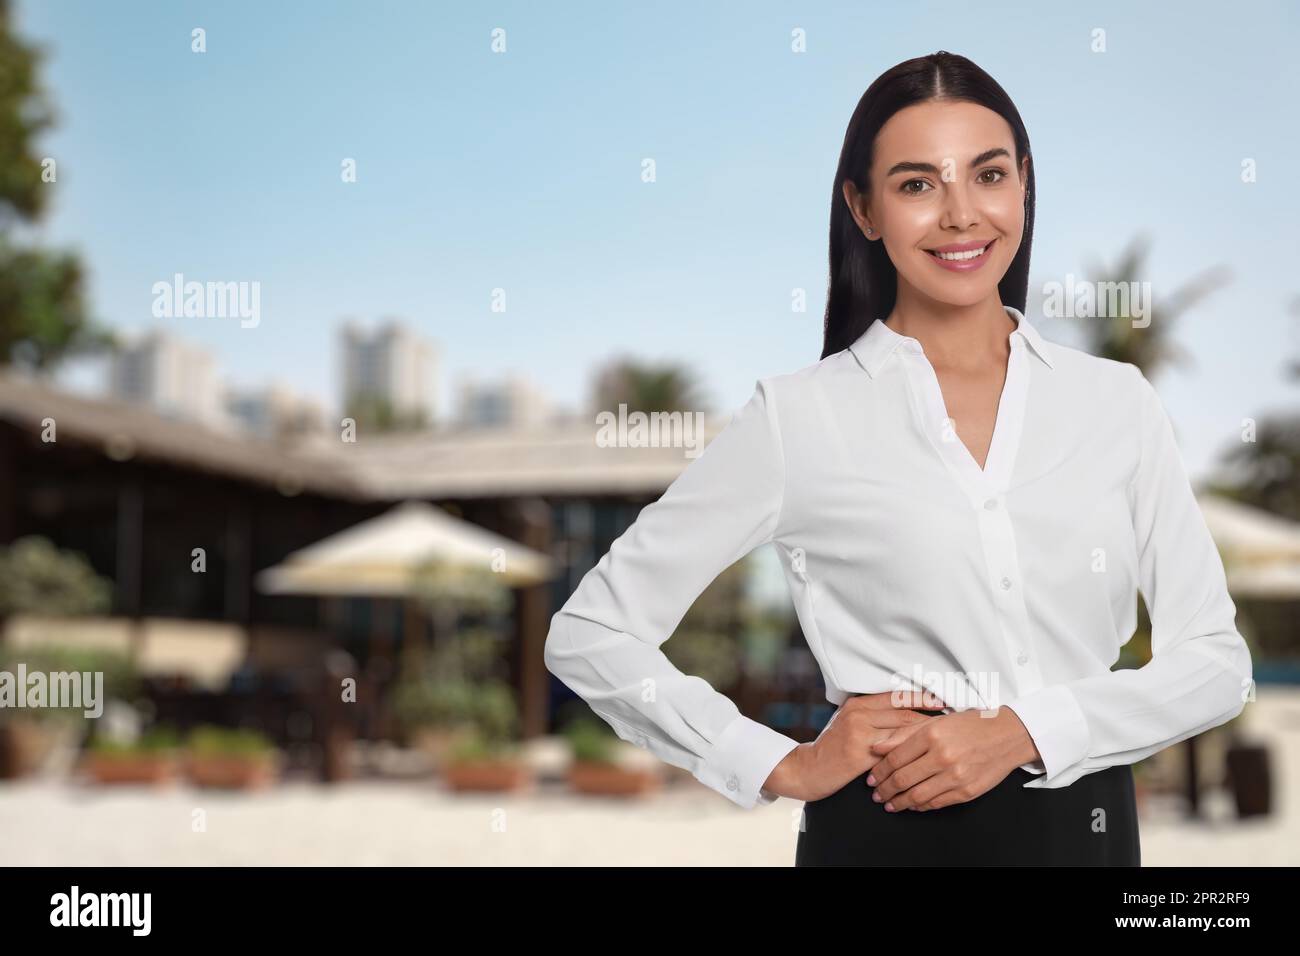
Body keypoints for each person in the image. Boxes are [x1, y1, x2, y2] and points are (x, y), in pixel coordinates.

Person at [543, 51, 1252, 866]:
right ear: (864, 207)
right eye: (918, 185)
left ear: (1023, 182)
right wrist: (778, 761)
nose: (960, 215)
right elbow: (592, 632)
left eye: (987, 175)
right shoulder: (798, 417)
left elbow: (1215, 663)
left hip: (1085, 833)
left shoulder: (1116, 403)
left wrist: (1022, 731)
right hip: (882, 832)